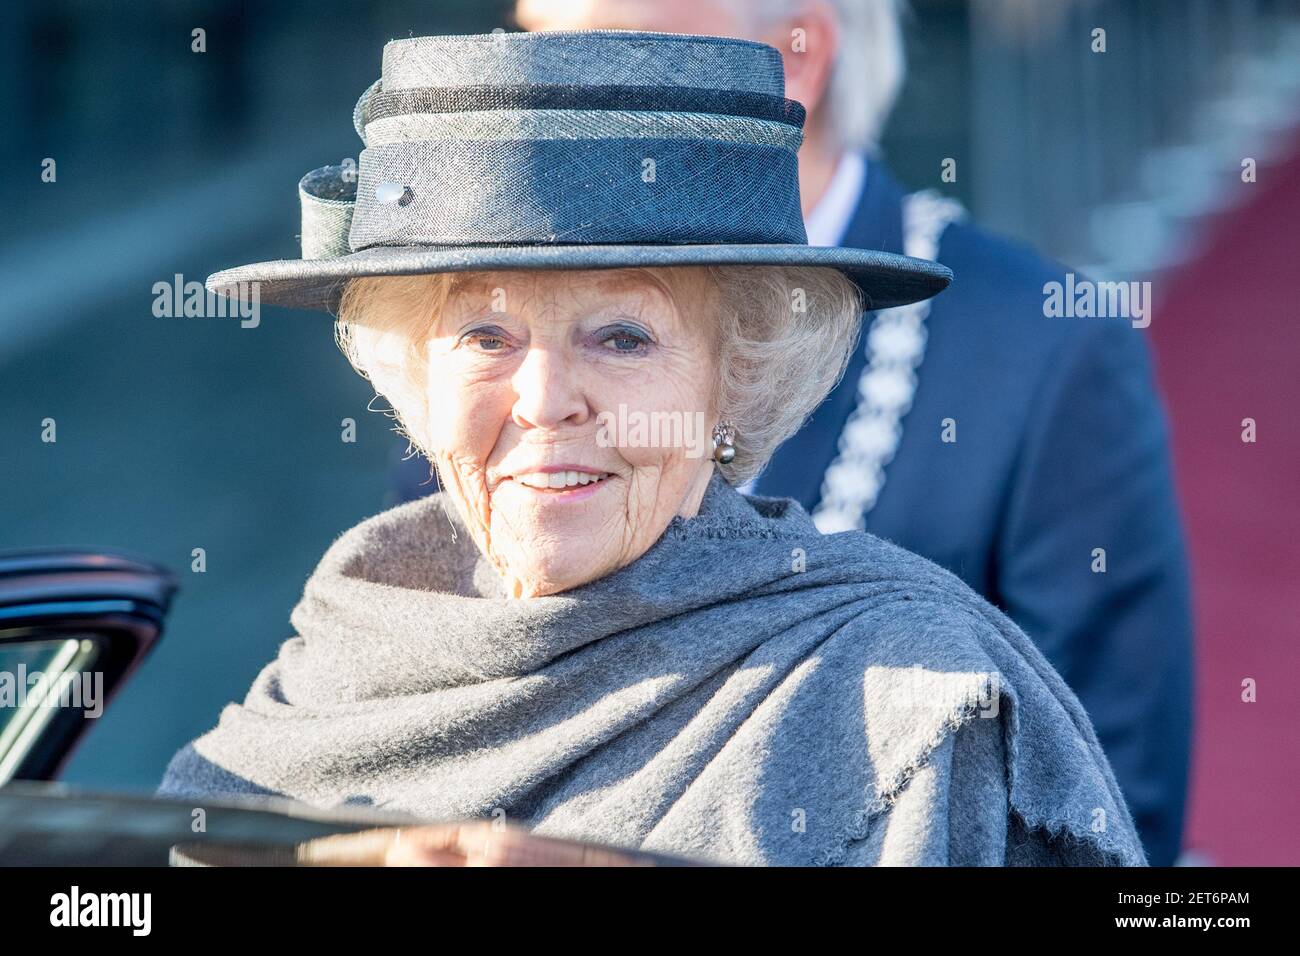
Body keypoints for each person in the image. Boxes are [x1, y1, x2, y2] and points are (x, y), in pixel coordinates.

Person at [159, 30, 1146, 867]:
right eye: (484, 337)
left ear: (737, 376)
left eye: (621, 337)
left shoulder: (905, 688)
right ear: (414, 382)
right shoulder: (342, 644)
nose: (545, 399)